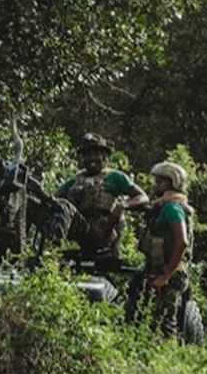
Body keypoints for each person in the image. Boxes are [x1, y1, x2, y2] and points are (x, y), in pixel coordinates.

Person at [49, 132, 149, 261]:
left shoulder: (115, 177)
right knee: (55, 206)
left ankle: (53, 249)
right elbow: (54, 198)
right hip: (81, 231)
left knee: (64, 207)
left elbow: (143, 197)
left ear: (104, 156)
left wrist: (123, 205)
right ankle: (50, 248)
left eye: (96, 154)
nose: (91, 158)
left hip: (103, 232)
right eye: (87, 155)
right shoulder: (76, 180)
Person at [127, 160, 194, 338]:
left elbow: (182, 242)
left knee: (164, 324)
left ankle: (166, 360)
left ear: (169, 182)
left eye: (159, 181)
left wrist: (166, 276)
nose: (155, 185)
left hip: (170, 274)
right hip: (158, 270)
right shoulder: (163, 206)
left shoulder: (172, 208)